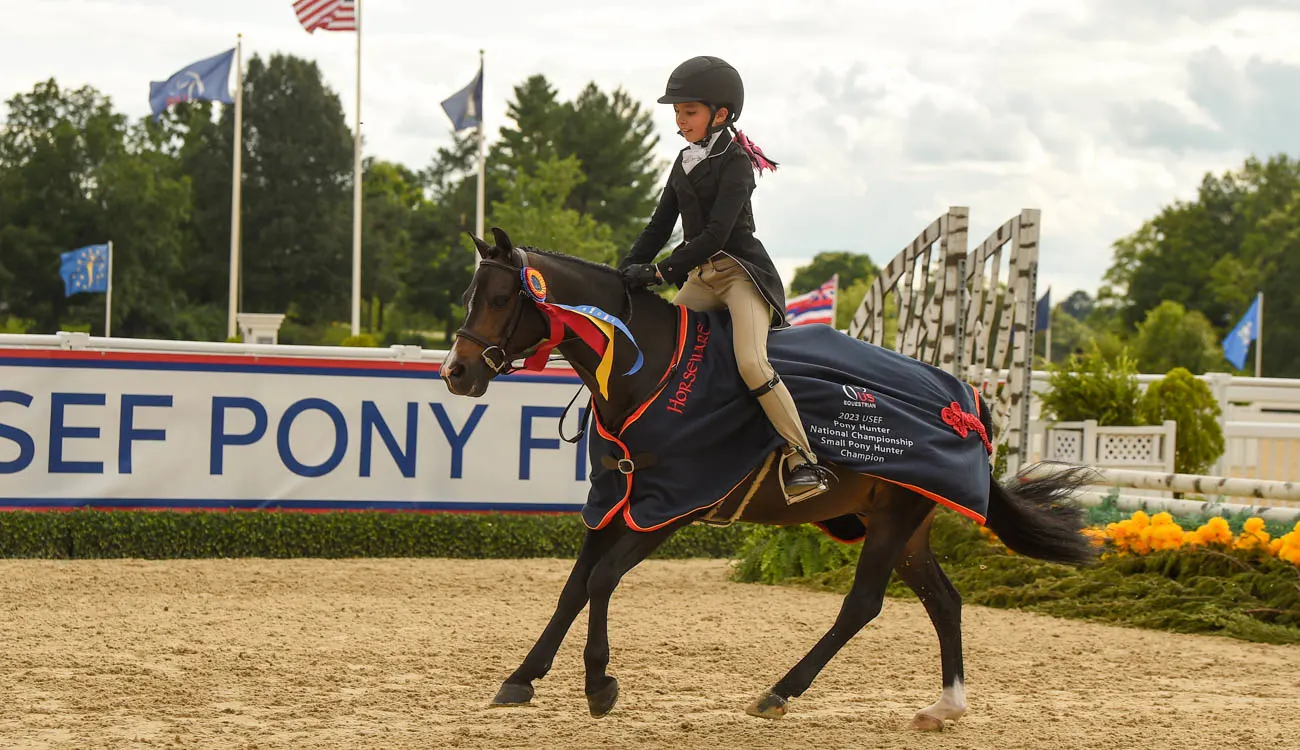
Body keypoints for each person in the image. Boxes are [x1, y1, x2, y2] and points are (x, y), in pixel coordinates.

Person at [618, 55, 833, 503]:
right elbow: (659, 226)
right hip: (700, 276)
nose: (680, 120)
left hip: (739, 276)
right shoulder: (684, 160)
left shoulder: (736, 161)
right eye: (676, 111)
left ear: (720, 114)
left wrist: (660, 272)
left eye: (688, 111)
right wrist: (621, 273)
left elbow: (717, 234)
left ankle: (803, 459)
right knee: (652, 347)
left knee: (752, 362)